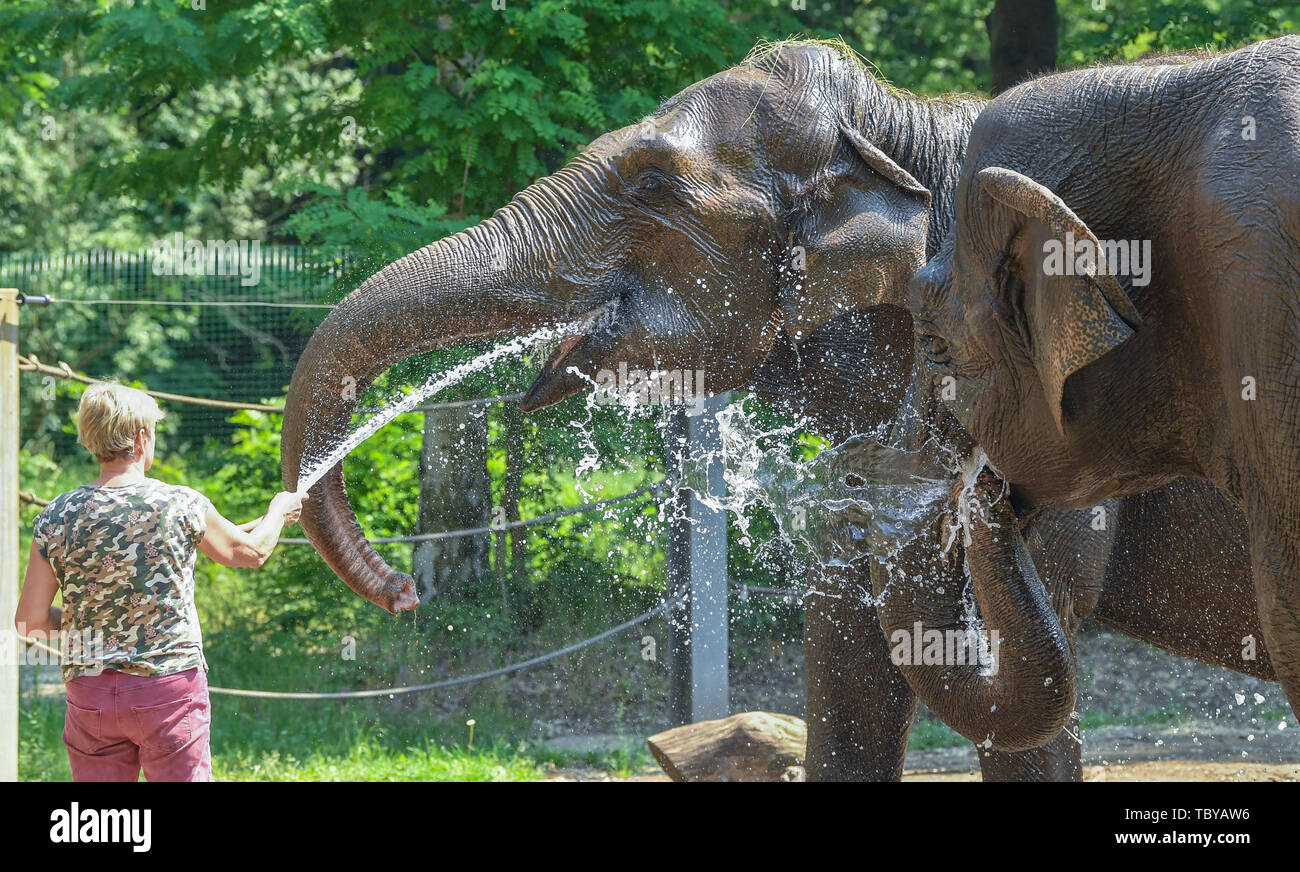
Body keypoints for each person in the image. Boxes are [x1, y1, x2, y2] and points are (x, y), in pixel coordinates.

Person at [14, 381, 308, 782]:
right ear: (141, 437)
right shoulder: (181, 504)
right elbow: (250, 552)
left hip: (92, 696)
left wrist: (96, 625)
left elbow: (29, 621)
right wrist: (278, 509)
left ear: (89, 439)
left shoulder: (56, 515)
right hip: (167, 690)